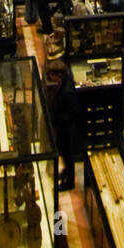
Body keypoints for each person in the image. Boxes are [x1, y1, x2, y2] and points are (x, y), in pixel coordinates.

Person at [44, 57, 77, 190]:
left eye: (52, 76)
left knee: (67, 153)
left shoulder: (67, 91)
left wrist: (57, 119)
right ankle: (66, 172)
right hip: (63, 126)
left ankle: (69, 182)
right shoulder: (64, 82)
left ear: (58, 74)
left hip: (66, 128)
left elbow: (73, 111)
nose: (50, 79)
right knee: (63, 151)